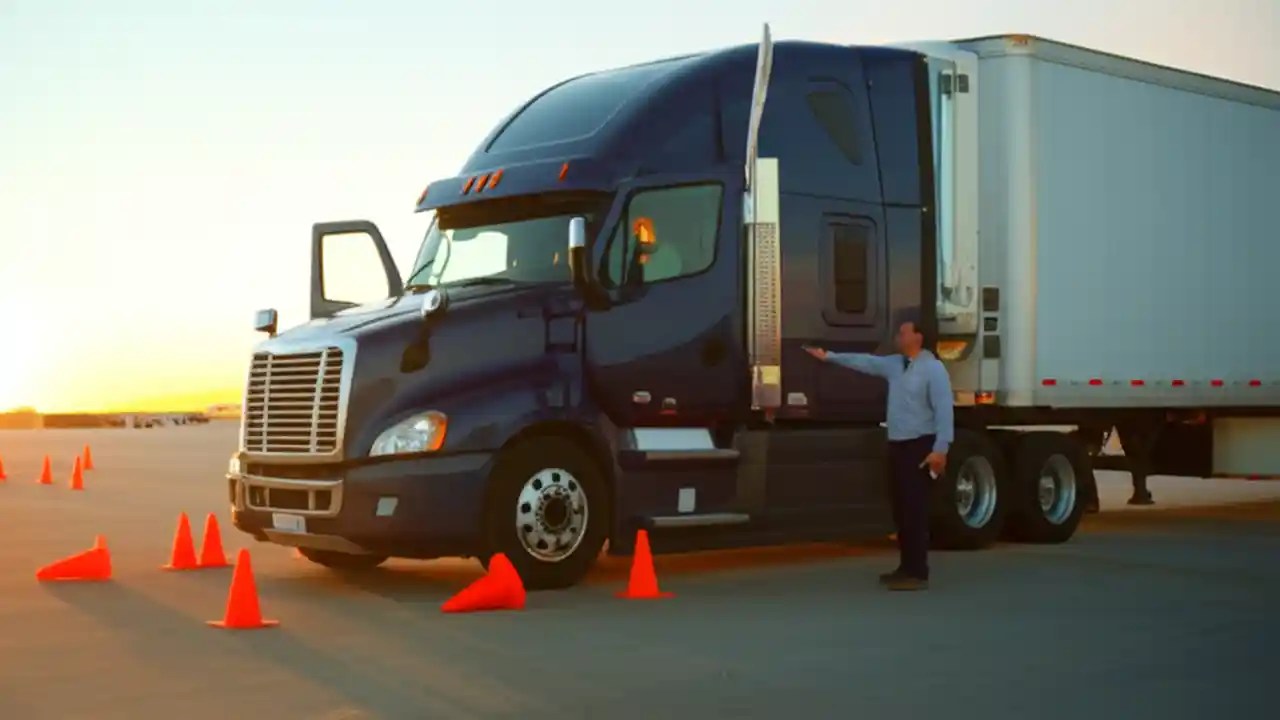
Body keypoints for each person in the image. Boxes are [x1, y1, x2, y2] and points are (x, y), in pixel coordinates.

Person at [804, 318, 954, 591]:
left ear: (918, 337)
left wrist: (940, 450)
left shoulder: (933, 369)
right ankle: (905, 566)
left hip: (920, 444)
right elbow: (866, 362)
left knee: (914, 510)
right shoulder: (896, 364)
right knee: (900, 508)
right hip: (897, 444)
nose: (899, 335)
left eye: (904, 331)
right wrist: (830, 357)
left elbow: (944, 410)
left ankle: (918, 572)